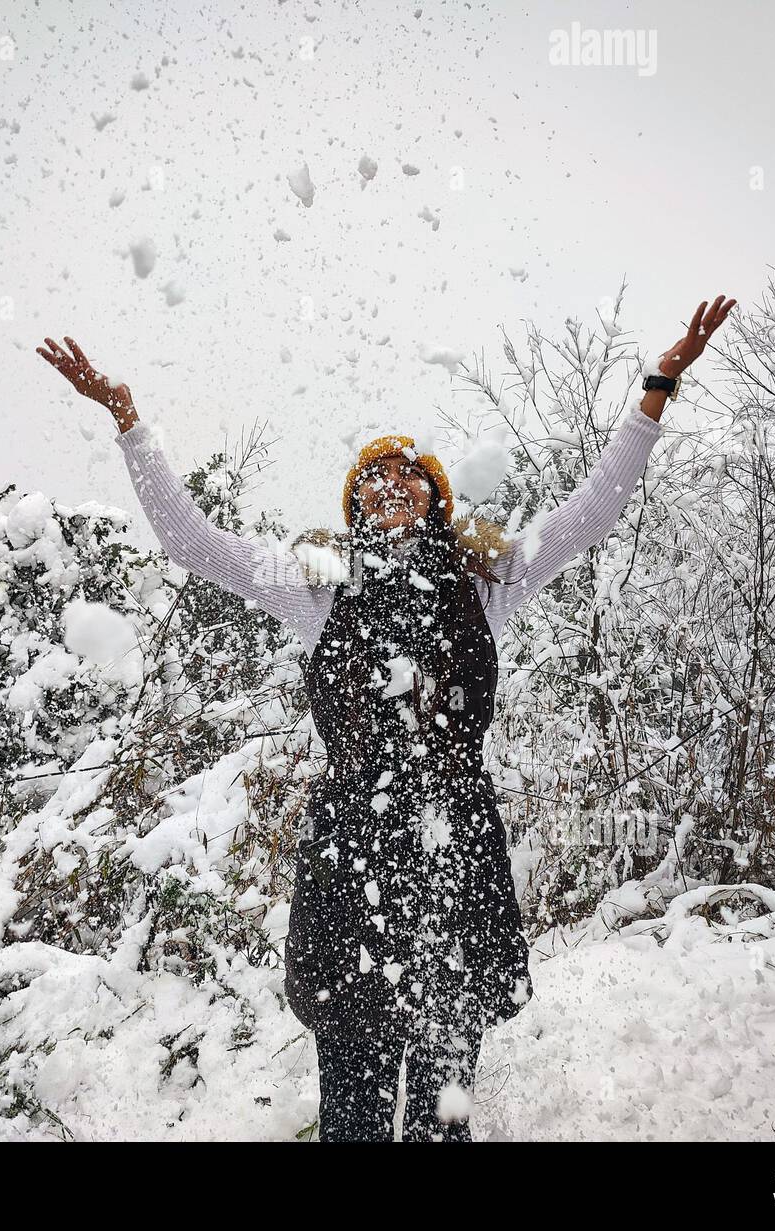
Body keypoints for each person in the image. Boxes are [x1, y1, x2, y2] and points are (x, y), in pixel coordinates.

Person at [37, 294, 736, 1141]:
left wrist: (657, 386)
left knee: (446, 1108)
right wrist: (129, 422)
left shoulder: (490, 580)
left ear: (434, 497)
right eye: (371, 476)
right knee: (356, 1110)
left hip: (453, 847)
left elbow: (591, 512)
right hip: (353, 854)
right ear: (354, 505)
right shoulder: (316, 586)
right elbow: (192, 541)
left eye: (407, 472)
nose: (389, 483)